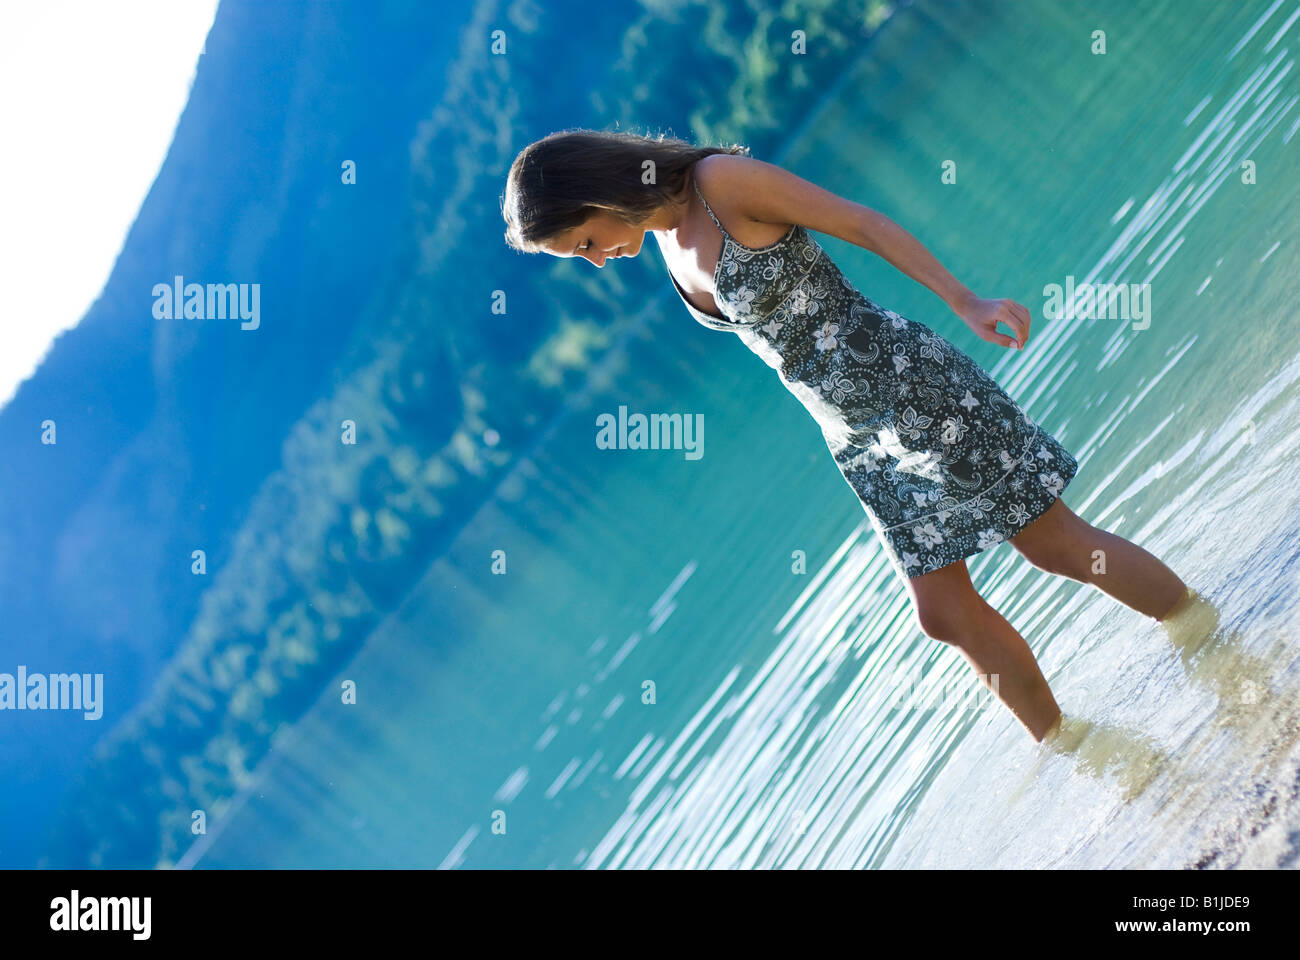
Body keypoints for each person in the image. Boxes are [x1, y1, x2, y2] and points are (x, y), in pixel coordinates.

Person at [502, 129, 1213, 746]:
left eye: (586, 242)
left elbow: (862, 223)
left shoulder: (722, 185)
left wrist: (966, 299)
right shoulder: (664, 241)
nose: (597, 259)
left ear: (596, 191)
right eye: (580, 256)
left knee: (1054, 544)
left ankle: (1208, 633)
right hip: (856, 439)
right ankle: (1072, 751)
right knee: (943, 615)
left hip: (908, 385)